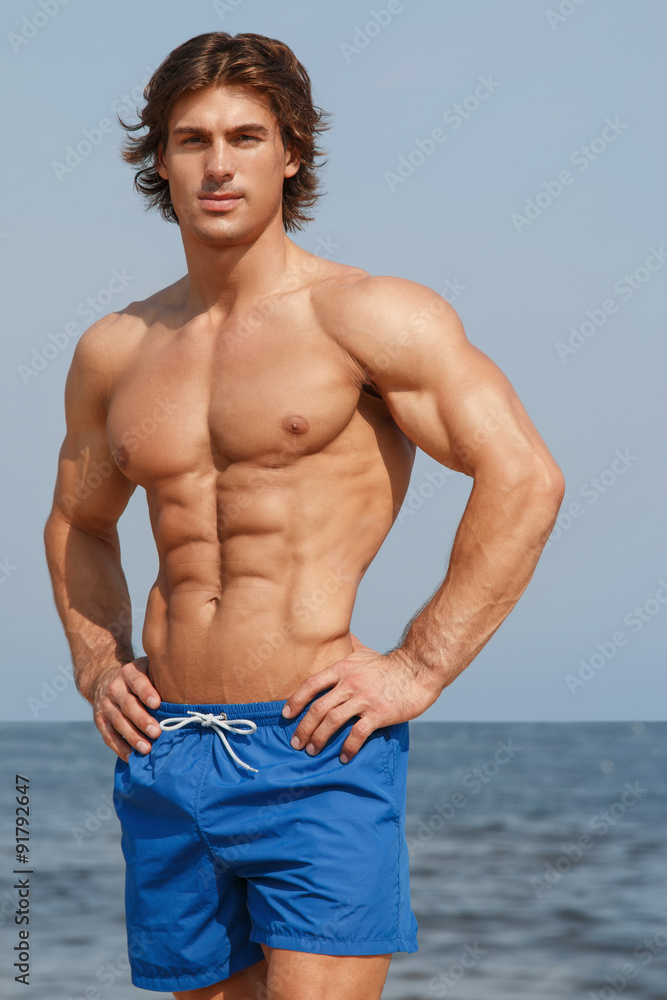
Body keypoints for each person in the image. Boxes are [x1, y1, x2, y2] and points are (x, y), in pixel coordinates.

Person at [43, 30, 565, 1000]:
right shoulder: (114, 349)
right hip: (165, 752)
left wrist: (419, 664)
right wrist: (97, 659)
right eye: (192, 138)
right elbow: (79, 522)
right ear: (159, 158)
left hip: (313, 746)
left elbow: (524, 476)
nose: (218, 163)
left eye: (246, 136)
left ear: (292, 151)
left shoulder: (369, 316)